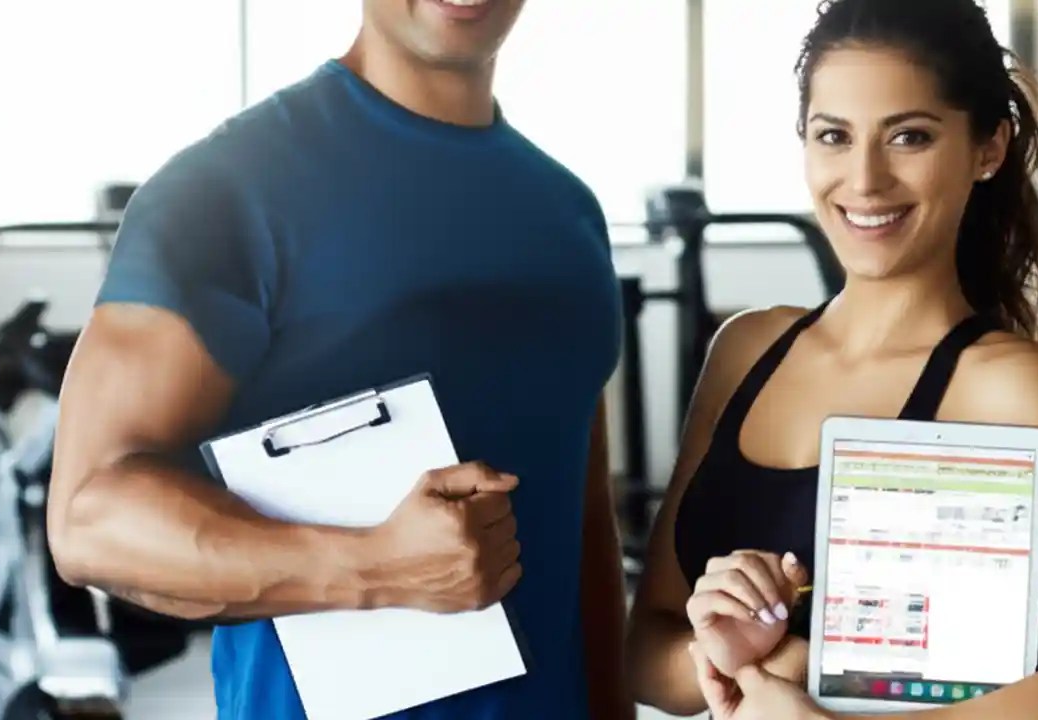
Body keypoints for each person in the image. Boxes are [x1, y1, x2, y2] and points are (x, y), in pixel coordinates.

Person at [45, 1, 633, 719]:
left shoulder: (568, 213)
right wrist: (374, 567)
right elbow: (88, 521)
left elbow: (585, 524)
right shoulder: (226, 192)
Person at [624, 0, 1038, 718]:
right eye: (833, 136)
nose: (864, 179)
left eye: (909, 137)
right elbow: (648, 658)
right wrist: (733, 653)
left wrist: (813, 699)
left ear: (988, 149)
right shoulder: (746, 352)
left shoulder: (1019, 390)